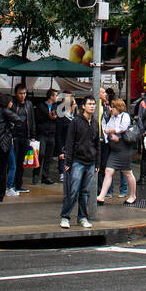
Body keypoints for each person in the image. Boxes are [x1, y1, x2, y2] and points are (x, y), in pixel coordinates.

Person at [59, 94, 99, 228]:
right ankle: (65, 216)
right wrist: (68, 162)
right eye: (89, 104)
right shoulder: (76, 122)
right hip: (77, 161)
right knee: (73, 191)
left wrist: (97, 162)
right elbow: (69, 142)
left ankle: (82, 217)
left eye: (93, 104)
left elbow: (96, 144)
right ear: (83, 106)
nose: (92, 106)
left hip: (90, 161)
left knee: (85, 192)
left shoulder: (94, 122)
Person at [96, 97, 137, 205]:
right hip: (114, 148)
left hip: (124, 148)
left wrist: (111, 131)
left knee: (127, 172)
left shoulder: (125, 116)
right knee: (108, 171)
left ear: (118, 108)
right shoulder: (112, 117)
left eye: (113, 107)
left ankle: (132, 195)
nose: (111, 109)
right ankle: (101, 196)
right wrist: (110, 133)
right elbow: (107, 128)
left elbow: (122, 128)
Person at [10, 84, 36, 193]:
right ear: (16, 94)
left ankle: (19, 185)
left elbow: (32, 120)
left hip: (25, 136)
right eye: (20, 93)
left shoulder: (29, 104)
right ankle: (11, 185)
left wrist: (33, 136)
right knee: (13, 162)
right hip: (14, 137)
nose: (22, 96)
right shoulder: (12, 105)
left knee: (21, 162)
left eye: (24, 93)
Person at [34, 89, 61, 185]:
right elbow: (37, 119)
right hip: (42, 133)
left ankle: (45, 176)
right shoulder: (41, 106)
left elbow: (59, 118)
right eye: (56, 95)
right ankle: (36, 175)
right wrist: (47, 116)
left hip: (52, 133)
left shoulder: (56, 106)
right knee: (41, 154)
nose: (57, 97)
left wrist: (55, 117)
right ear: (51, 96)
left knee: (49, 156)